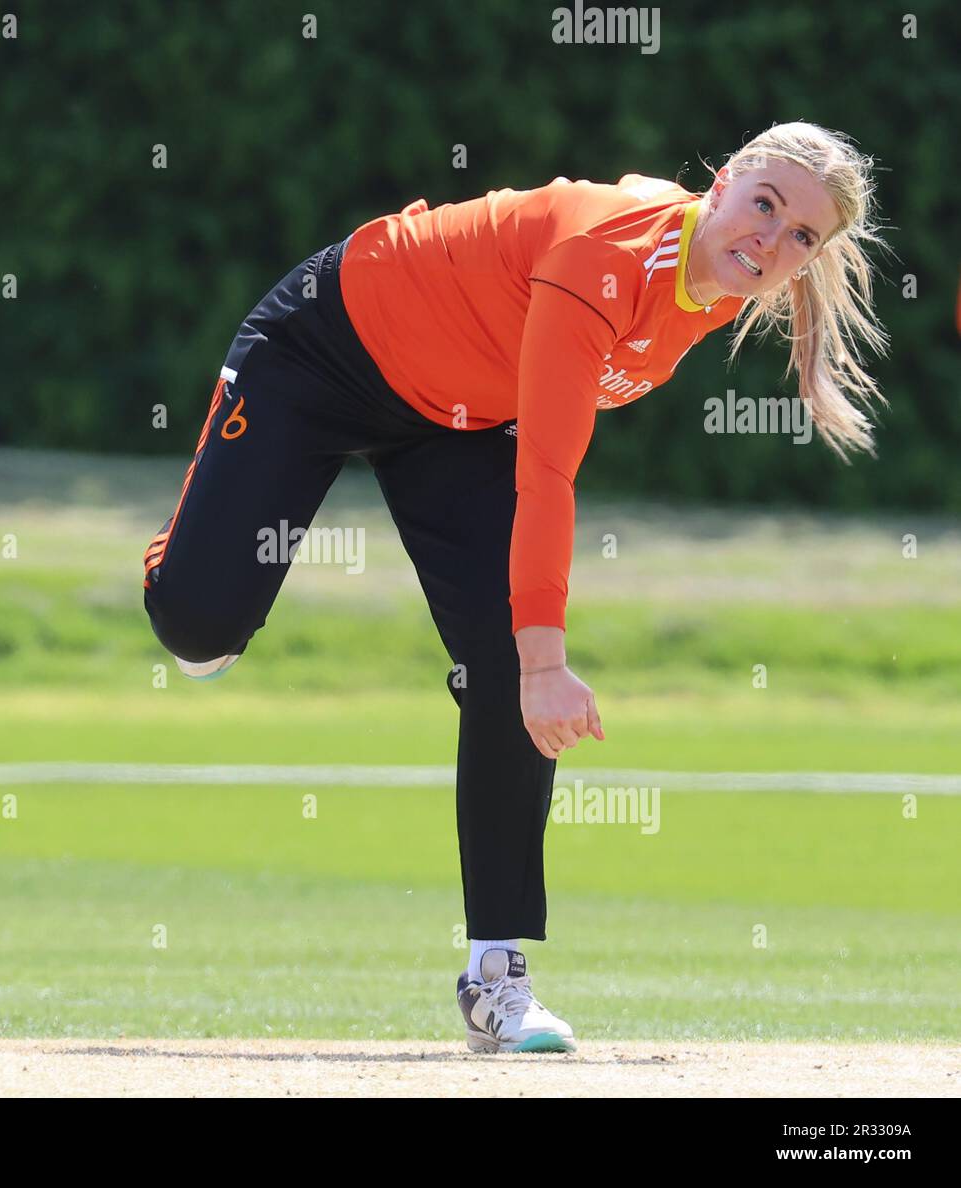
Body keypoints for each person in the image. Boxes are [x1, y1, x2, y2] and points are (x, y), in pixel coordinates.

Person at [141, 121, 889, 1053]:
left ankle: (497, 980)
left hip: (454, 420)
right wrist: (548, 659)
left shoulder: (727, 287)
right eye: (764, 206)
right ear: (725, 180)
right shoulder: (604, 258)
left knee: (501, 663)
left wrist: (524, 660)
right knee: (197, 627)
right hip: (327, 348)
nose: (771, 242)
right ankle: (186, 558)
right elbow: (548, 473)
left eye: (801, 238)